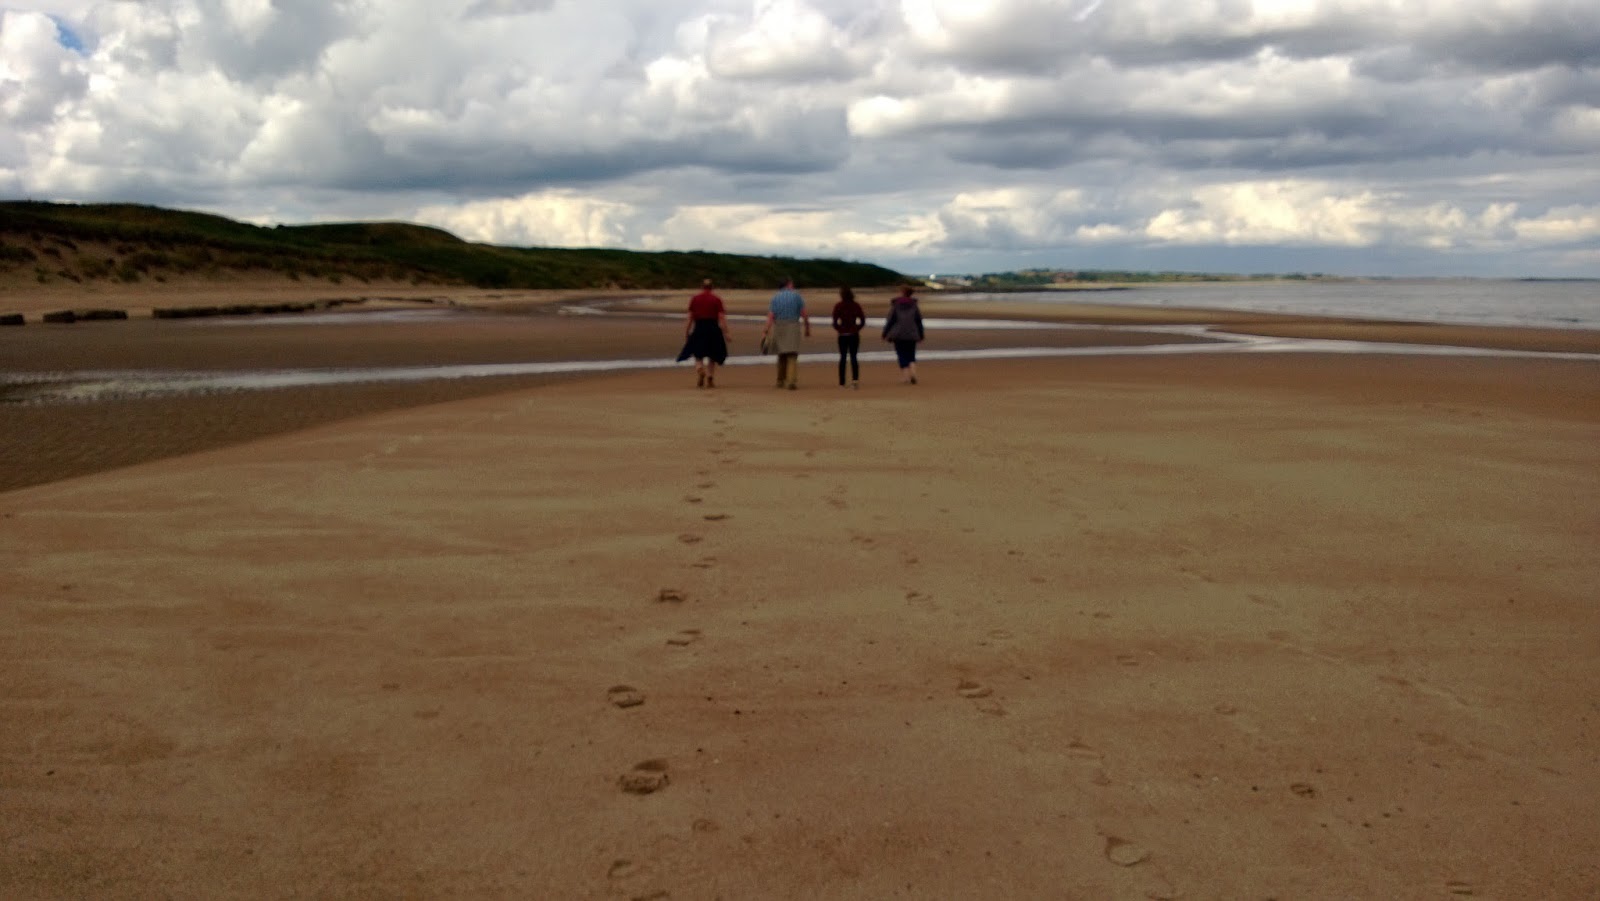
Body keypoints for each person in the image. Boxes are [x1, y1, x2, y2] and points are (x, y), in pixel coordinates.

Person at [677, 279, 730, 388]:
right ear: (712, 287)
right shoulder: (716, 299)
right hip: (713, 328)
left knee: (698, 354)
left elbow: (690, 317)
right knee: (713, 355)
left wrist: (686, 331)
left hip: (699, 327)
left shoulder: (695, 299)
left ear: (702, 287)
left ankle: (700, 369)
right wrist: (726, 332)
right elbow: (721, 317)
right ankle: (710, 378)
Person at [762, 277, 810, 390]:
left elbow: (771, 316)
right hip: (793, 325)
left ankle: (780, 380)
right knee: (792, 355)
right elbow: (804, 314)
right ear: (788, 284)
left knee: (781, 354)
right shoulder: (797, 296)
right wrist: (807, 327)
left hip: (779, 326)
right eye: (792, 284)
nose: (793, 286)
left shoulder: (775, 297)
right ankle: (791, 381)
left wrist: (766, 329)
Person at [881, 284, 925, 384]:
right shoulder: (914, 305)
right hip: (912, 333)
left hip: (898, 333)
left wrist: (885, 333)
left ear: (902, 293)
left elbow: (891, 320)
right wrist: (921, 334)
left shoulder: (896, 305)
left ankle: (905, 377)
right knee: (911, 354)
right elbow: (918, 321)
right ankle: (913, 373)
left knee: (901, 354)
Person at [831, 285, 866, 389]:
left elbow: (834, 321)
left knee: (842, 358)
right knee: (854, 357)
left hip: (843, 334)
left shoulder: (838, 305)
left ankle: (842, 383)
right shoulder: (856, 305)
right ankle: (855, 381)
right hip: (854, 334)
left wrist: (839, 329)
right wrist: (857, 328)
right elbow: (862, 320)